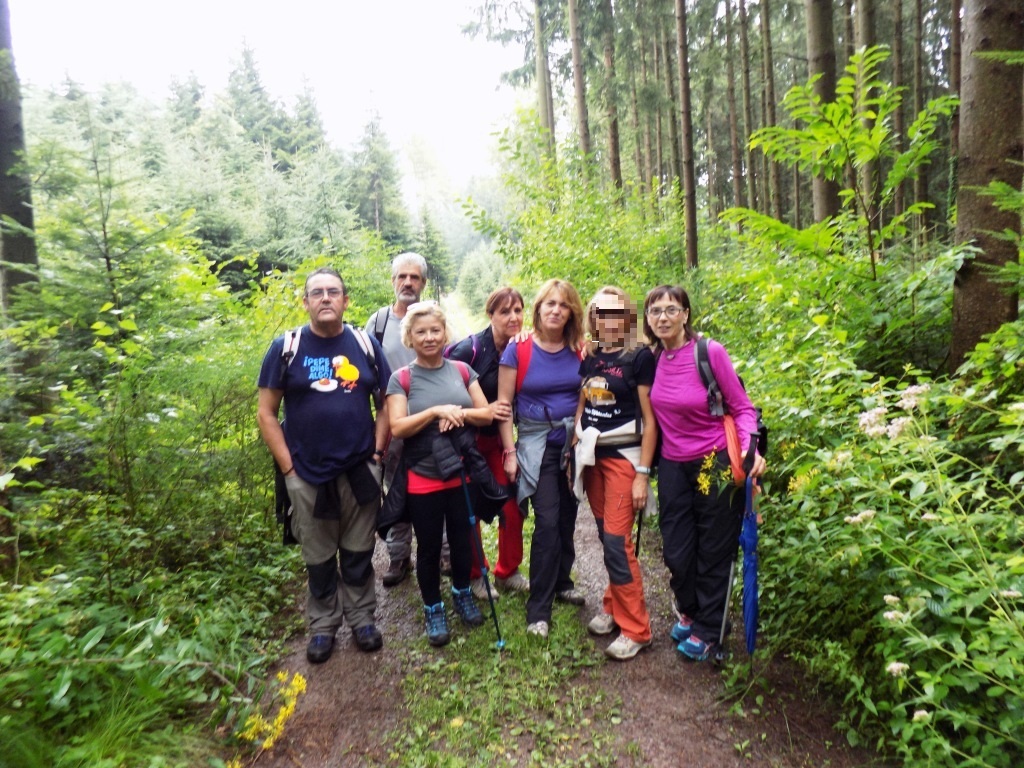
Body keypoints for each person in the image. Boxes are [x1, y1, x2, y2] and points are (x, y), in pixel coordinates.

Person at [257, 268, 391, 664]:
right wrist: (288, 471)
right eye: (317, 293)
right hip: (306, 473)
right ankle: (322, 626)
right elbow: (267, 413)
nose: (326, 298)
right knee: (317, 557)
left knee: (358, 550)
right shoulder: (287, 347)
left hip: (358, 468)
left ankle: (362, 618)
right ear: (306, 302)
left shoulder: (365, 344)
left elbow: (387, 402)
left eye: (334, 291)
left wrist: (378, 456)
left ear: (346, 301)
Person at [644, 285, 766, 661]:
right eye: (654, 311)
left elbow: (743, 408)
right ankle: (693, 610)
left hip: (714, 462)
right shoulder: (652, 360)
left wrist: (751, 447)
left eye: (670, 309)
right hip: (672, 464)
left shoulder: (708, 353)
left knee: (714, 547)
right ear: (647, 320)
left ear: (685, 314)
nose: (662, 317)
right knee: (677, 549)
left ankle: (710, 629)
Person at [385, 302, 494, 646]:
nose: (429, 337)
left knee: (463, 541)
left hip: (462, 473)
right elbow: (398, 427)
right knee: (429, 546)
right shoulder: (401, 378)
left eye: (435, 330)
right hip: (422, 476)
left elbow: (487, 414)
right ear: (410, 337)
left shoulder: (462, 370)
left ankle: (462, 591)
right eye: (421, 332)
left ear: (444, 333)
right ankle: (433, 606)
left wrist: (458, 413)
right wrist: (435, 411)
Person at [498, 279, 585, 639]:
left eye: (563, 305)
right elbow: (504, 408)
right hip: (536, 443)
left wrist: (579, 430)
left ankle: (563, 580)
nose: (555, 310)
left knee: (568, 514)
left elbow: (592, 389)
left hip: (574, 442)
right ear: (538, 308)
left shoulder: (582, 349)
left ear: (571, 313)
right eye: (549, 303)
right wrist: (509, 451)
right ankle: (539, 608)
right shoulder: (518, 350)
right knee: (547, 521)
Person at [573, 287, 657, 660]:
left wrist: (642, 473)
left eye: (615, 313)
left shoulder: (639, 357)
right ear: (593, 318)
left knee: (616, 542)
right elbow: (583, 402)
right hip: (593, 457)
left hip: (624, 455)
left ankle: (637, 628)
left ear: (628, 317)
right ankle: (613, 605)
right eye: (600, 313)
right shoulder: (590, 356)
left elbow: (651, 421)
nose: (608, 320)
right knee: (607, 535)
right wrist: (576, 438)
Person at [446, 287, 530, 601]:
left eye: (518, 310)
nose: (513, 318)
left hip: (499, 440)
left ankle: (508, 571)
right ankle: (475, 574)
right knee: (470, 510)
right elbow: (447, 394)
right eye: (505, 311)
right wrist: (479, 412)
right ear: (490, 314)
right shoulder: (470, 350)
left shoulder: (523, 348)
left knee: (512, 504)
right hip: (467, 442)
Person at [365, 252, 427, 587]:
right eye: (402, 277)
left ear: (423, 283)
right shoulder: (377, 324)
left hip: (431, 426)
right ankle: (399, 557)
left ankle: (441, 554)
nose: (407, 283)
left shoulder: (434, 318)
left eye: (414, 277)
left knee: (436, 491)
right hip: (390, 425)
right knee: (396, 494)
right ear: (392, 282)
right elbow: (361, 372)